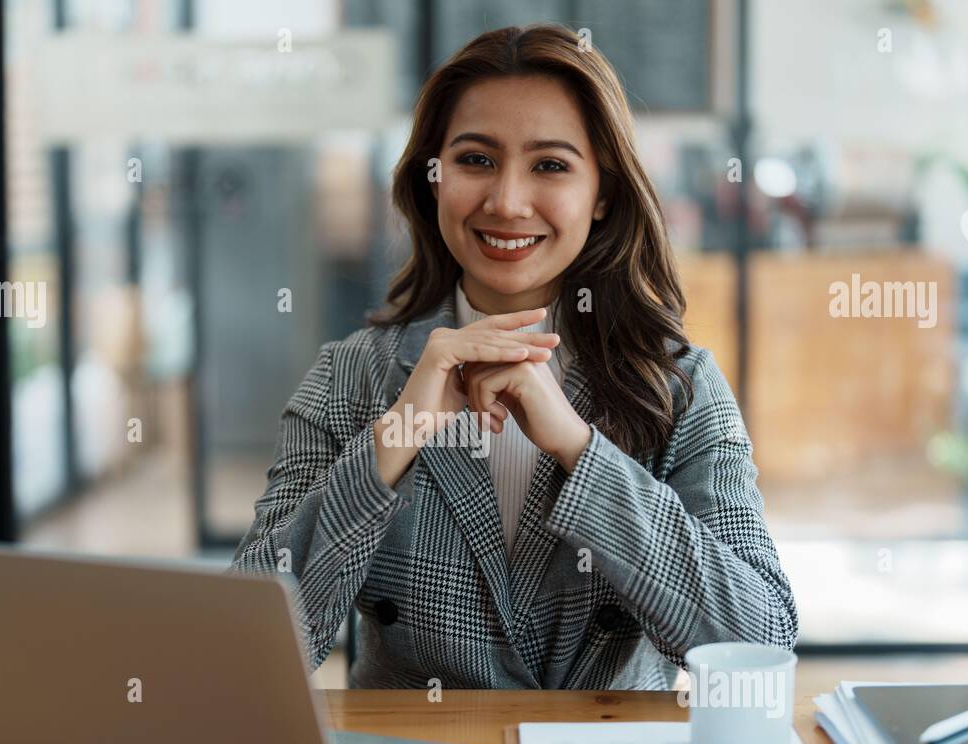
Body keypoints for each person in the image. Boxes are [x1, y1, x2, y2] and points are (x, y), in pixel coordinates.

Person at [231, 23, 797, 690]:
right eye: (475, 160)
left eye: (551, 165)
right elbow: (246, 652)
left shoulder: (679, 384)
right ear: (432, 178)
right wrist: (397, 433)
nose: (506, 201)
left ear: (604, 194)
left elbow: (759, 636)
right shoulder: (350, 378)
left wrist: (580, 450)